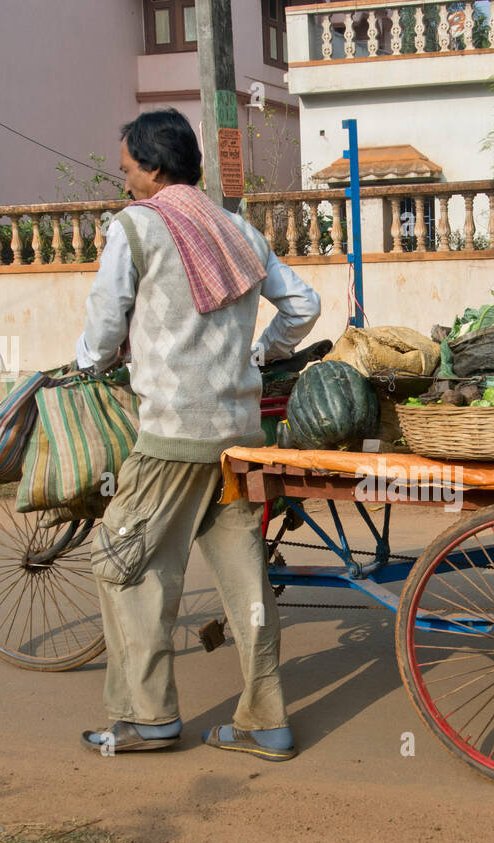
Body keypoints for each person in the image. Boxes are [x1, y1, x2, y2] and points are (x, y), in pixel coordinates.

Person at [75, 108, 319, 760]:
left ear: (153, 168)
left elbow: (104, 326)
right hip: (239, 436)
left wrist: (89, 364)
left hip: (171, 438)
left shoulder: (137, 228)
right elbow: (304, 304)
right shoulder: (236, 230)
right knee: (246, 582)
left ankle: (145, 717)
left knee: (125, 564)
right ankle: (265, 719)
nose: (124, 181)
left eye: (127, 169)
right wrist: (262, 353)